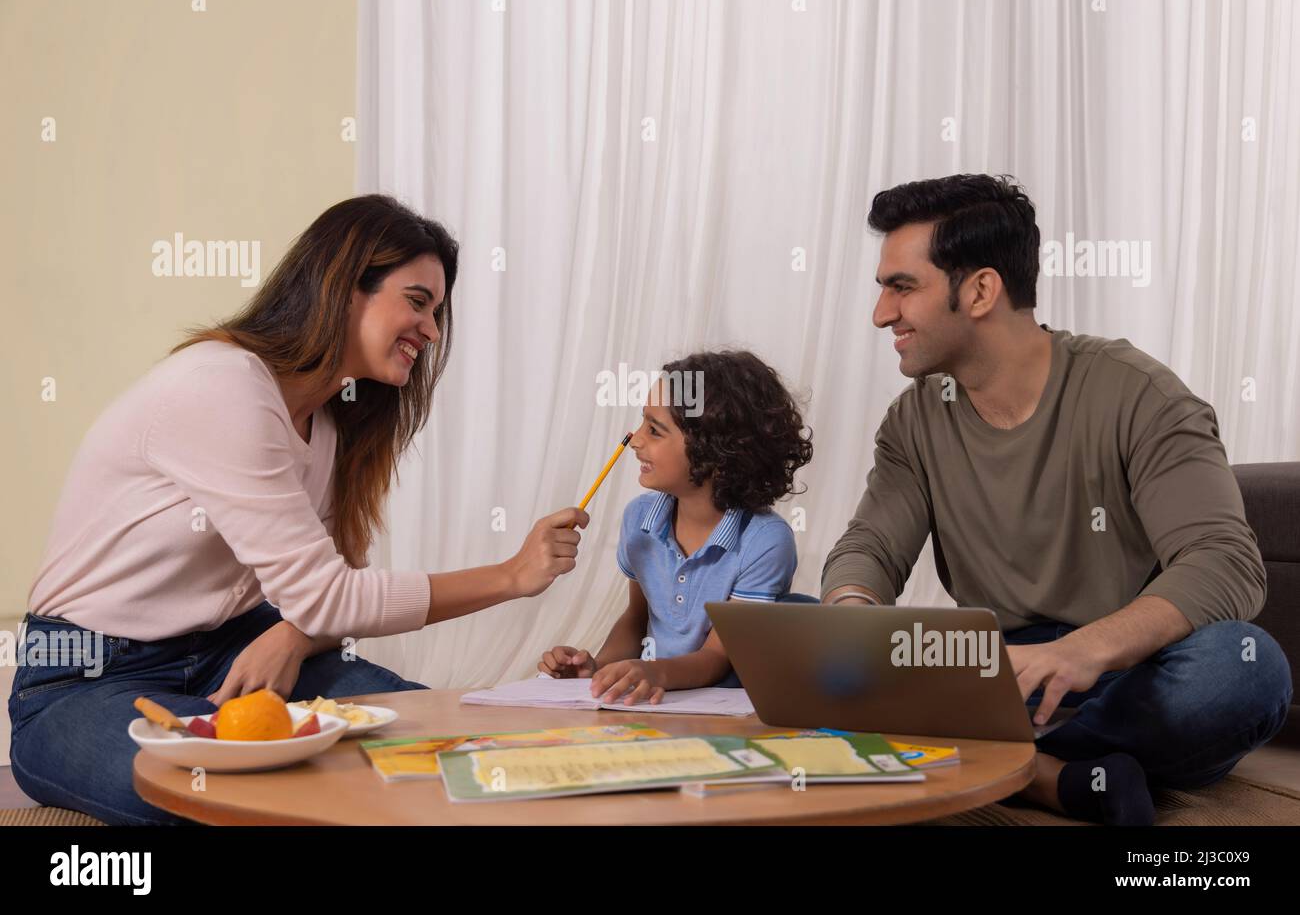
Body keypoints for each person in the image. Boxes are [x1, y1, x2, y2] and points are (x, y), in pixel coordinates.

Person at [10, 195, 588, 824]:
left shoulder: (331, 426)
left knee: (444, 747)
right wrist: (510, 575)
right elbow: (333, 599)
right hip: (85, 675)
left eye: (438, 312)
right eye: (417, 301)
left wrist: (290, 633)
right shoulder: (225, 383)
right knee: (233, 797)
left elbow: (328, 599)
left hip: (234, 649)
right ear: (344, 288)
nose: (432, 329)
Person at [821, 173, 1292, 825]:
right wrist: (852, 610)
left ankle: (977, 756)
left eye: (902, 287)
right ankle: (1050, 774)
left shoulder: (1137, 394)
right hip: (994, 671)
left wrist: (1081, 651)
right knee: (782, 630)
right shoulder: (915, 421)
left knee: (1244, 670)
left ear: (981, 289)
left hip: (1132, 667)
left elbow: (1224, 559)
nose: (881, 314)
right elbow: (869, 546)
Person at [540, 350, 812, 703]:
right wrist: (598, 668)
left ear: (715, 450)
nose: (635, 439)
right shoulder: (639, 519)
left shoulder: (765, 541)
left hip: (727, 707)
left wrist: (657, 672)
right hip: (658, 701)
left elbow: (718, 658)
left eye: (654, 430)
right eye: (642, 423)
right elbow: (637, 620)